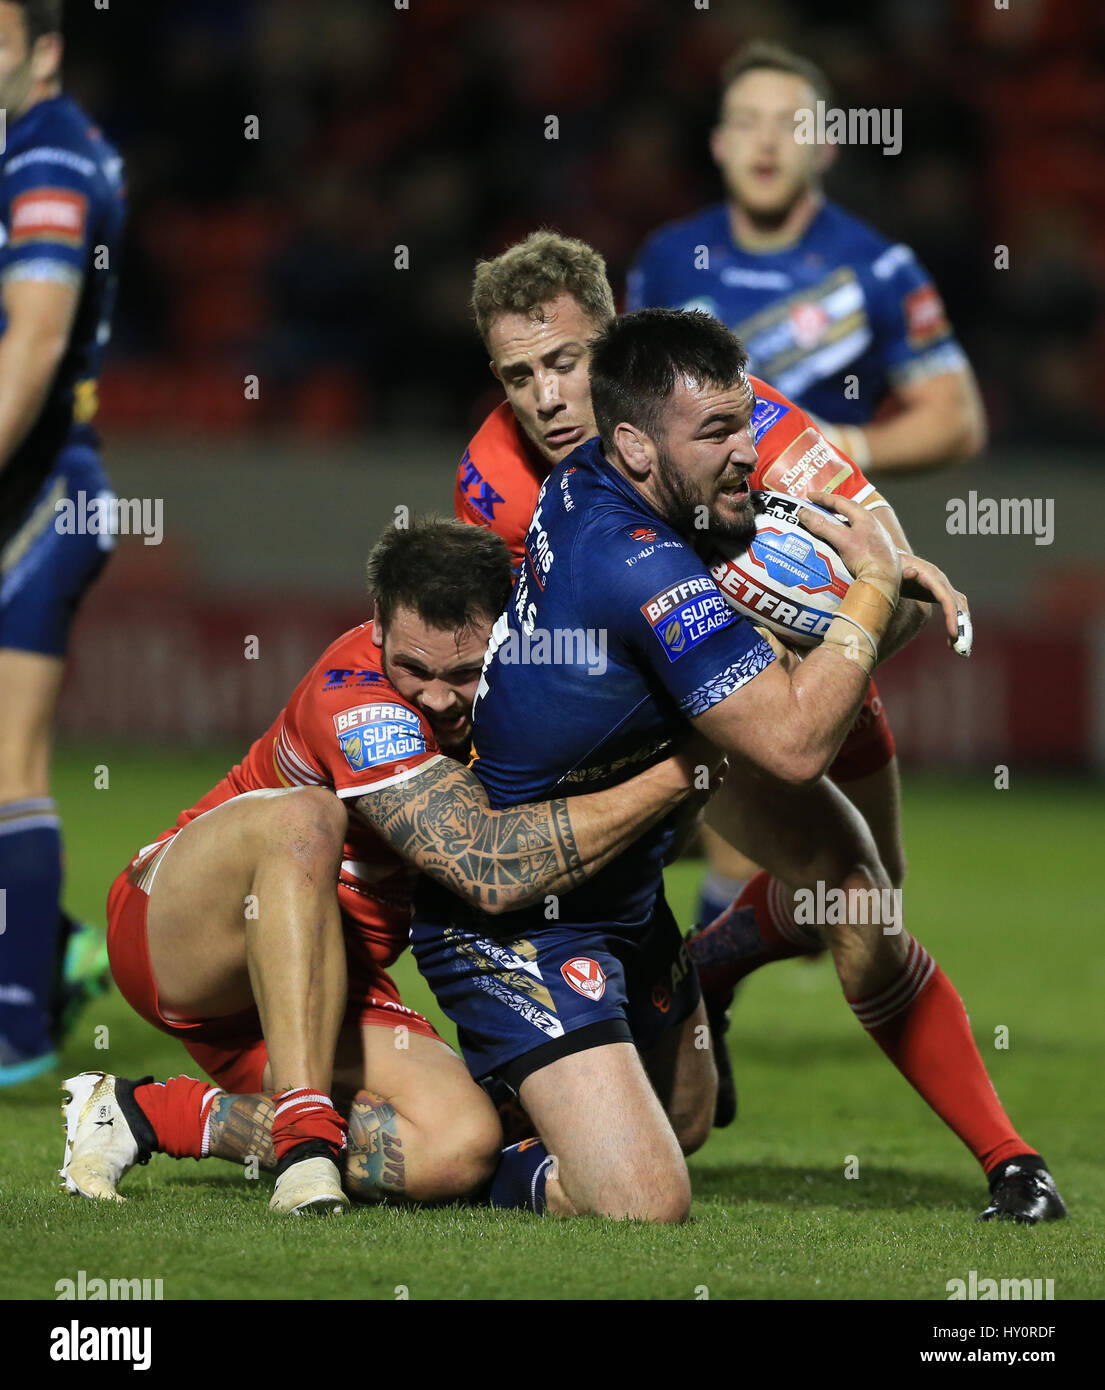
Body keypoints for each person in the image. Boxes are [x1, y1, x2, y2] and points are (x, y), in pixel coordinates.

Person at [453, 243, 1065, 1223]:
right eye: (517, 375)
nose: (547, 398)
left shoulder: (738, 417)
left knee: (861, 916)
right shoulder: (494, 483)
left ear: (614, 343)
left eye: (565, 361)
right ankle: (1012, 1162)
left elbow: (898, 589)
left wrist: (821, 630)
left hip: (801, 685)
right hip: (678, 724)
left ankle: (712, 960)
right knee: (849, 897)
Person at [59, 520, 713, 1215]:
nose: (437, 698)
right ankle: (305, 1147)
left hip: (324, 983)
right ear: (377, 626)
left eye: (463, 673)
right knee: (306, 818)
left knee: (457, 1146)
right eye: (414, 669)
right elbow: (487, 868)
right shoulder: (356, 699)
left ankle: (146, 1113)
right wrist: (684, 770)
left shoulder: (531, 683)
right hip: (183, 937)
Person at [626, 40, 989, 939]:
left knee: (859, 884)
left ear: (826, 145)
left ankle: (700, 944)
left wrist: (841, 442)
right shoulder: (668, 260)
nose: (765, 142)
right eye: (745, 122)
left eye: (789, 125)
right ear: (717, 144)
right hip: (695, 554)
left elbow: (956, 418)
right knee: (763, 811)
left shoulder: (875, 267)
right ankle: (691, 978)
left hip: (815, 560)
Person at [0, 0, 125, 1085]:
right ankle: (54, 944)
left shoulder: (49, 159)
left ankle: (17, 1032)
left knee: (11, 758)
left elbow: (33, 347)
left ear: (43, 50)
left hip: (43, 494)